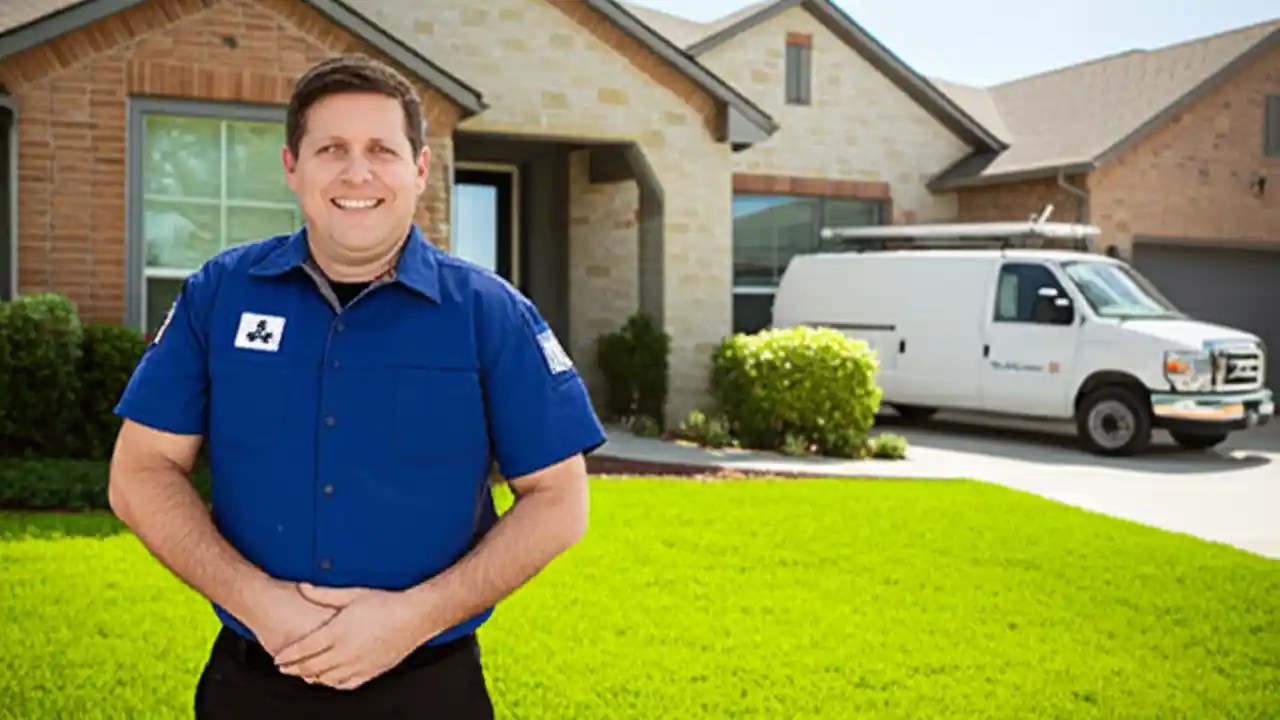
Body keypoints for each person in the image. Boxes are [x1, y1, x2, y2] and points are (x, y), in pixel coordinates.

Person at [107, 53, 608, 719]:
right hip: (252, 682)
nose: (357, 172)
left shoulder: (490, 315)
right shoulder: (218, 296)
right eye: (331, 149)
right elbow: (140, 473)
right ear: (292, 166)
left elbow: (559, 499)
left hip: (430, 688)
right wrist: (263, 606)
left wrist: (412, 618)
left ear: (420, 169)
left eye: (381, 149)